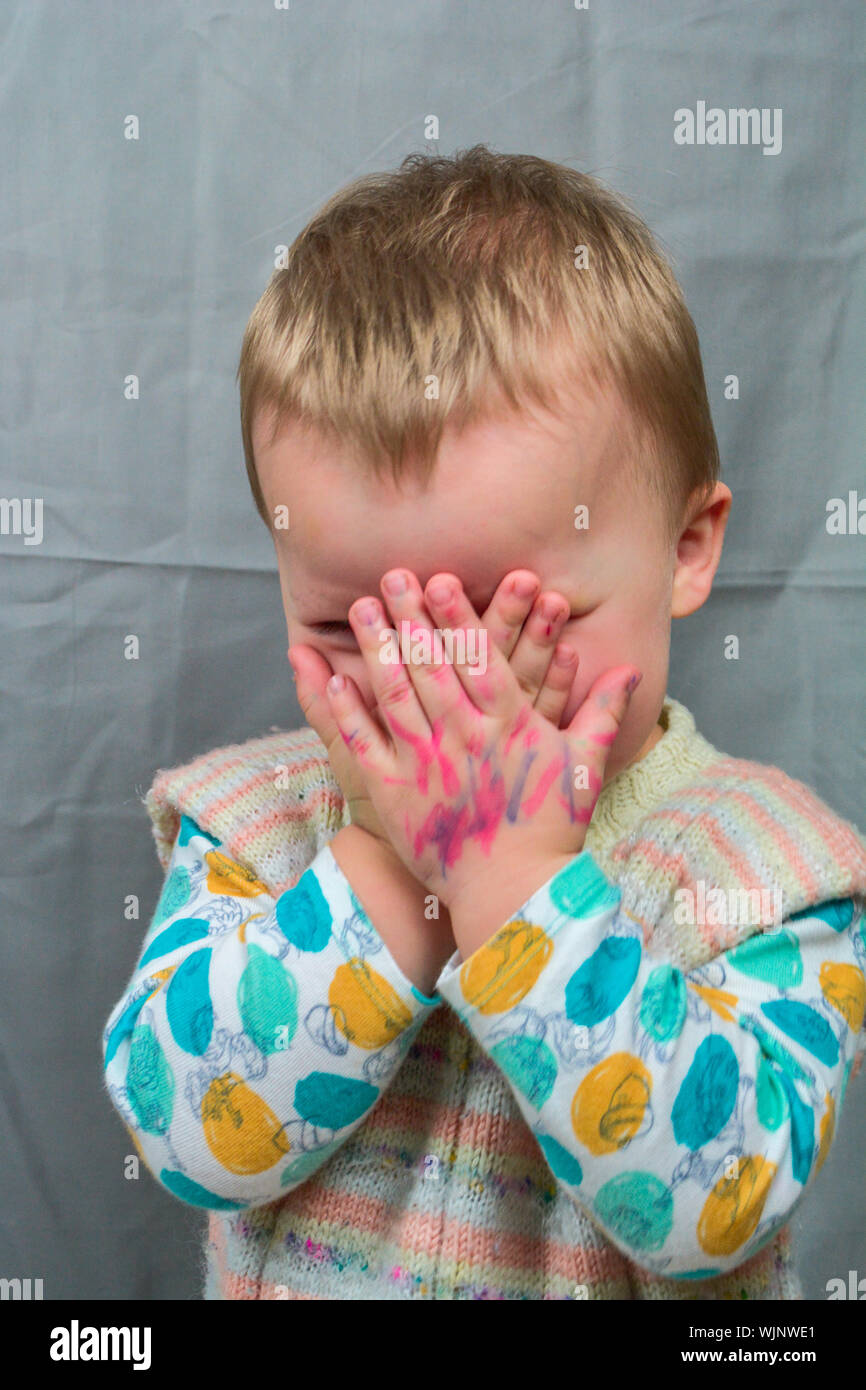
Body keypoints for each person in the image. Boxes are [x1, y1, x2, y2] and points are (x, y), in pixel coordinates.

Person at [101, 145, 866, 1300]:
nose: (438, 689)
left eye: (511, 622)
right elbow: (189, 1138)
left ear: (683, 548)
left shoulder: (769, 869)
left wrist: (511, 883)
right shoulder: (254, 827)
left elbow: (717, 1205)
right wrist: (381, 867)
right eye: (354, 626)